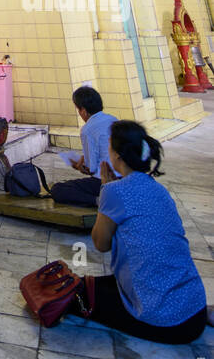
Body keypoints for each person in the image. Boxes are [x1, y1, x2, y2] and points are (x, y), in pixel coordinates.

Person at [68, 119, 211, 342]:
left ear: (117, 155)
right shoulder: (158, 189)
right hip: (195, 310)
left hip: (165, 321)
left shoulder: (114, 191)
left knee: (75, 295)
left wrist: (106, 189)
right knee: (98, 284)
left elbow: (100, 243)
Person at [49, 86, 116, 206]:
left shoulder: (87, 129)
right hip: (123, 176)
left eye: (78, 110)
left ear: (83, 111)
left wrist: (78, 166)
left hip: (105, 181)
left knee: (57, 189)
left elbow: (92, 168)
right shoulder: (113, 119)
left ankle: (98, 201)